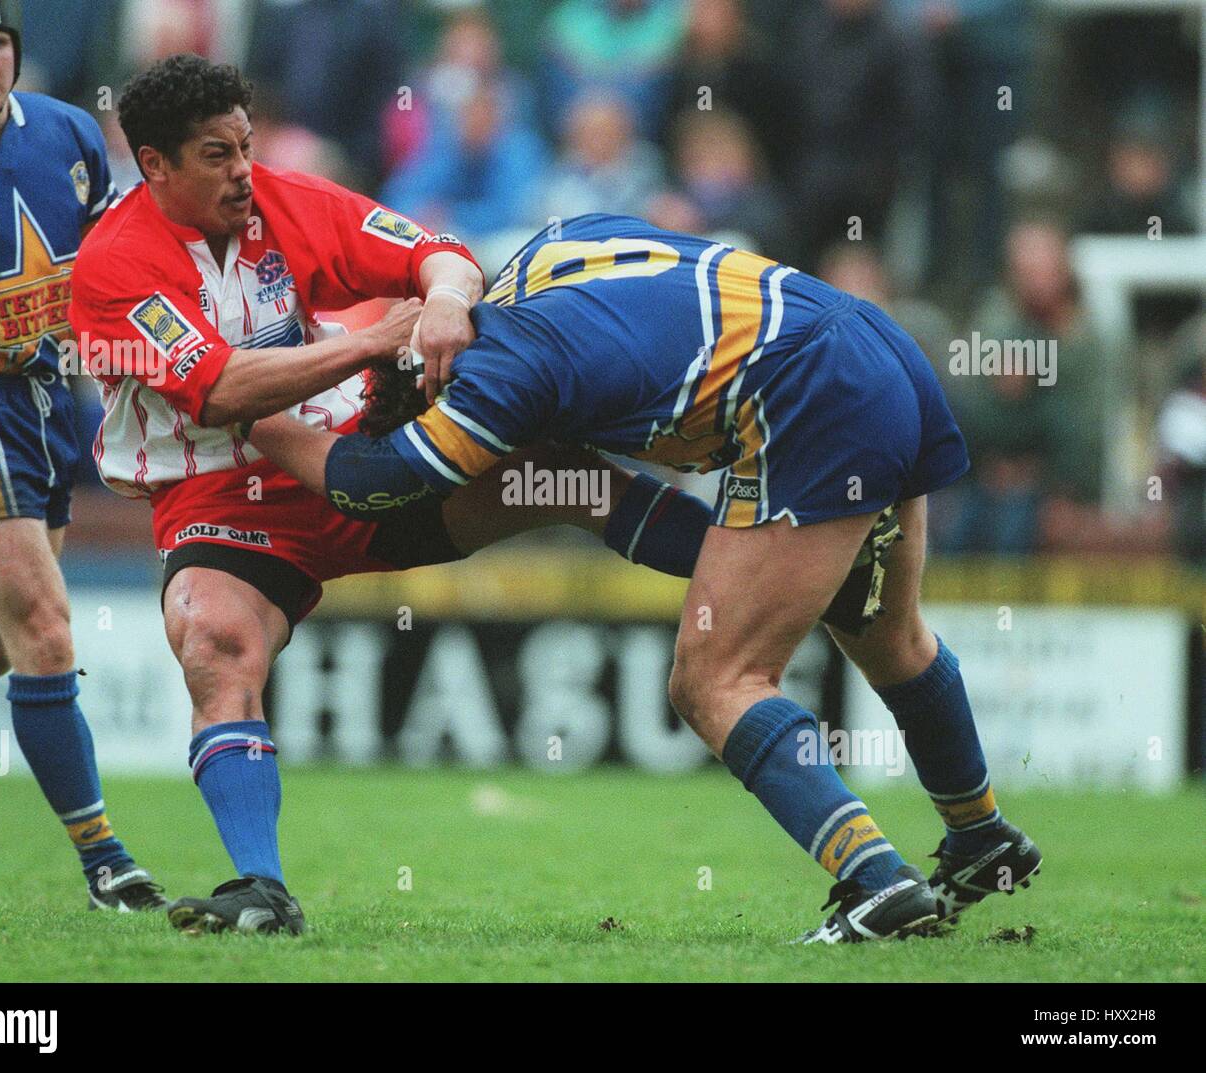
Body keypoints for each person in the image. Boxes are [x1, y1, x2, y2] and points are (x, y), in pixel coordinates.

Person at [249, 213, 1044, 942]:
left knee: (716, 679)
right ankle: (980, 833)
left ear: (430, 380)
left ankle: (878, 881)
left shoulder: (491, 375)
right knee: (887, 633)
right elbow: (624, 507)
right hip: (869, 340)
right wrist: (763, 573)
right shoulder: (552, 252)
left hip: (806, 391)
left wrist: (241, 409)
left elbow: (376, 479)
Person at [68, 56, 714, 936]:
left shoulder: (286, 199)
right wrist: (375, 342)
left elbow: (433, 252)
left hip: (358, 451)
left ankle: (755, 569)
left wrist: (445, 303)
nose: (242, 171)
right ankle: (262, 888)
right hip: (217, 492)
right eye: (216, 154)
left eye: (247, 146)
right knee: (216, 642)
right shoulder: (113, 266)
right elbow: (220, 391)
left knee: (564, 478)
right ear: (155, 164)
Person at [0, 0, 164, 911]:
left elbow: (113, 255)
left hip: (49, 400)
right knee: (48, 632)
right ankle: (107, 861)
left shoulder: (65, 132)